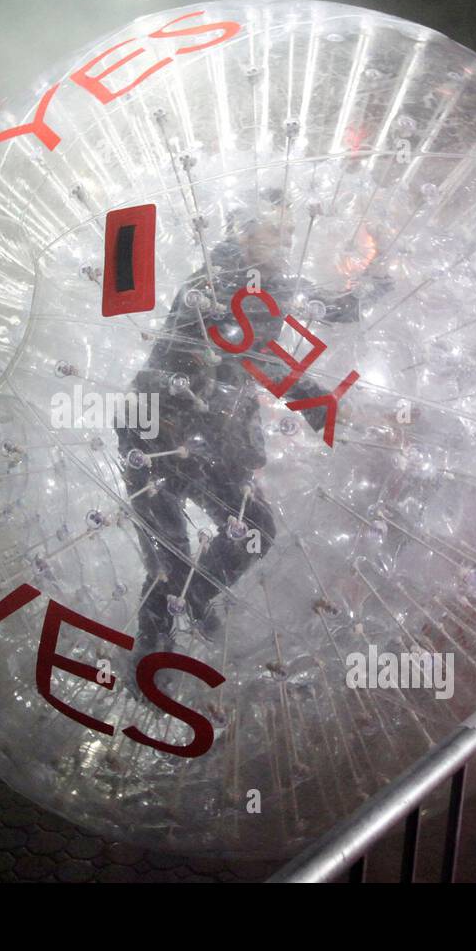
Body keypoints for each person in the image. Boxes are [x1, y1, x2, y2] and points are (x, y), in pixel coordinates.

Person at [115, 190, 363, 656]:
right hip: (154, 431)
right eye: (276, 230)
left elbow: (312, 313)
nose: (287, 240)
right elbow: (254, 348)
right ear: (244, 233)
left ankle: (197, 598)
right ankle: (151, 658)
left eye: (291, 231)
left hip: (211, 439)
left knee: (253, 529)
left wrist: (366, 292)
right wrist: (321, 405)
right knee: (168, 558)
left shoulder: (268, 285)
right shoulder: (217, 282)